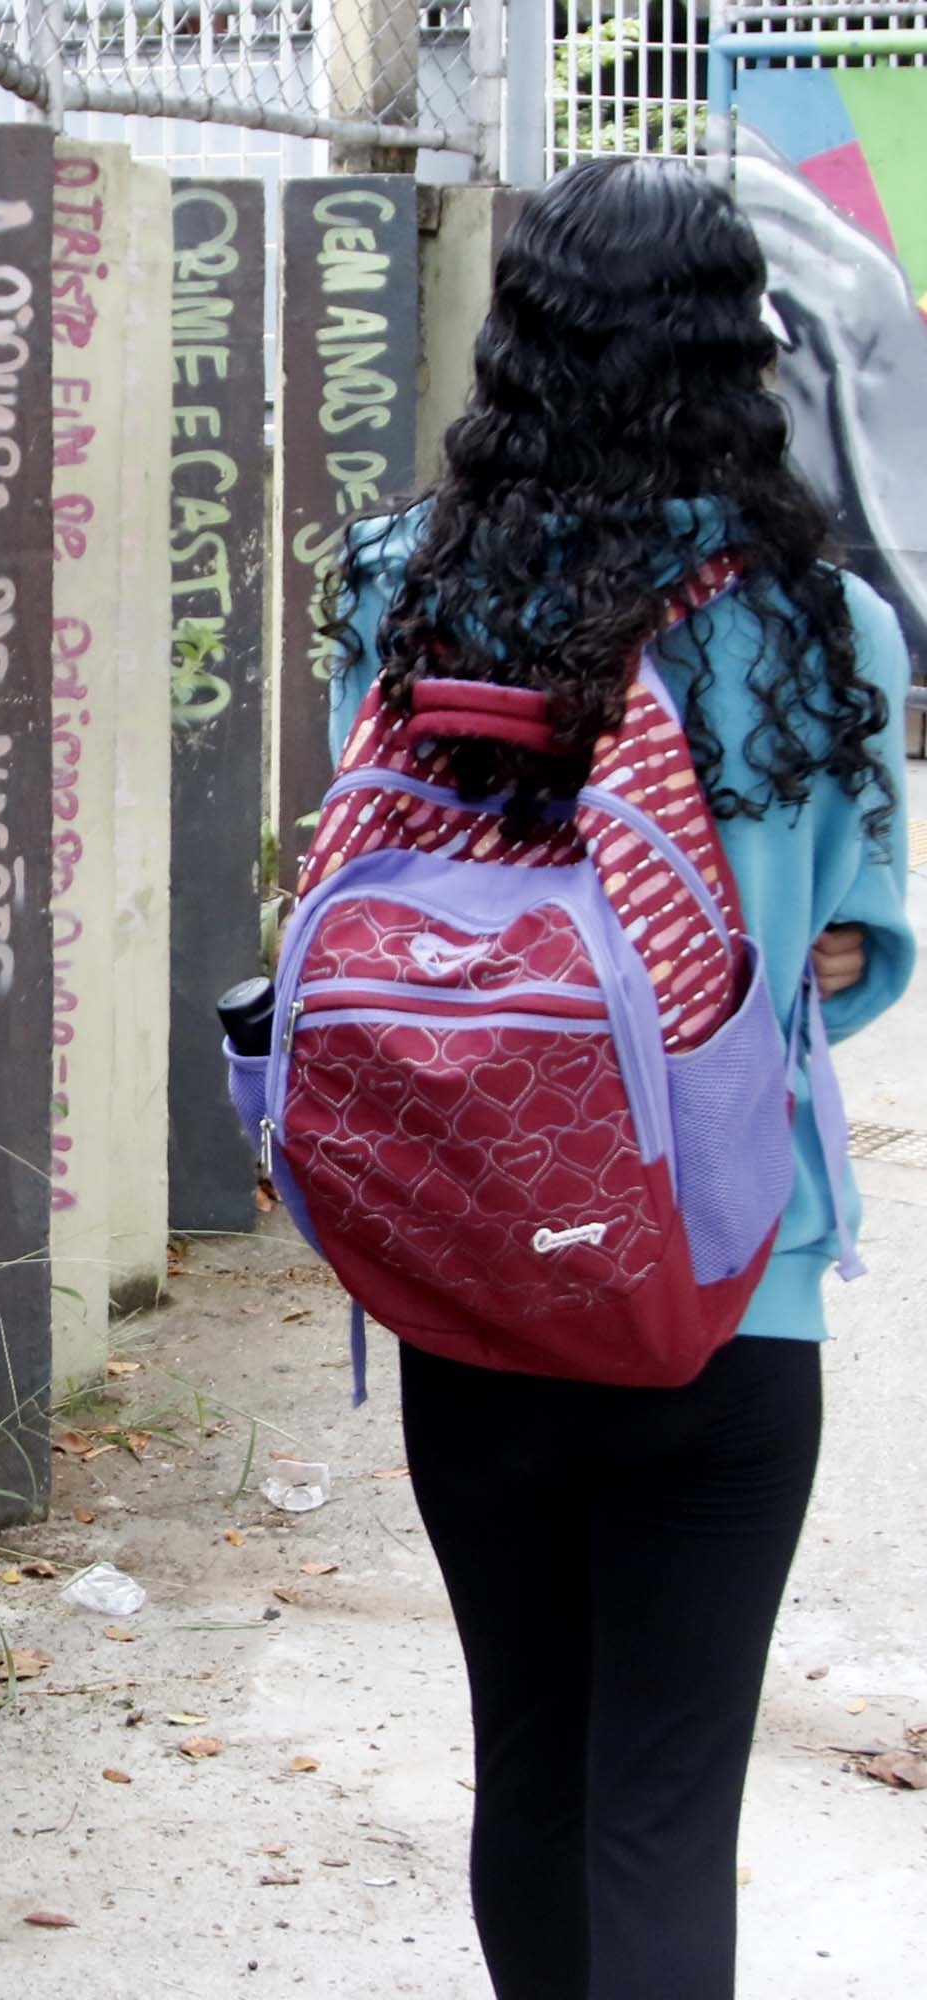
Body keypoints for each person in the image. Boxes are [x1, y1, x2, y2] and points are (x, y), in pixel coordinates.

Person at [323, 155, 914, 2000]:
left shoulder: (399, 583)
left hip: (479, 1265)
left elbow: (367, 875)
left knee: (530, 1774)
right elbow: (855, 955)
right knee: (665, 1804)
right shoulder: (828, 630)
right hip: (736, 1285)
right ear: (739, 348)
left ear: (524, 337)